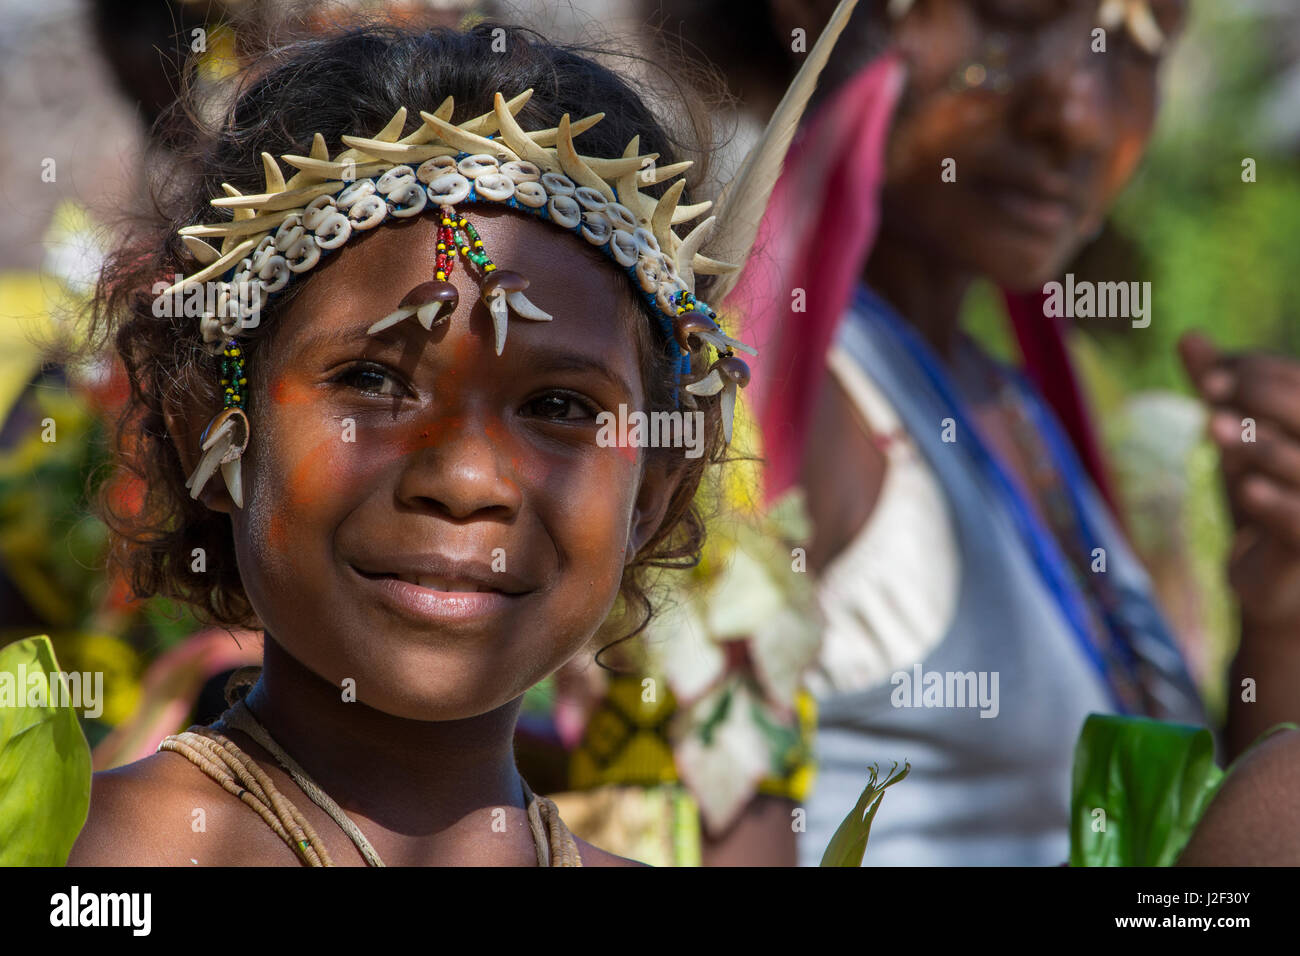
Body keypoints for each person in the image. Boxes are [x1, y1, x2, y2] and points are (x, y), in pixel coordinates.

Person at [63, 7, 854, 866]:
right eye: (371, 381)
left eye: (559, 407)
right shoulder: (76, 860)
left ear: (654, 492)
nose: (468, 477)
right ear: (208, 432)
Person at [647, 0, 1300, 865]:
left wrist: (1276, 612)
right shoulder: (761, 394)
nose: (1078, 114)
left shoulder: (1016, 410)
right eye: (1019, 14)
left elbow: (1194, 845)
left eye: (1142, 43)